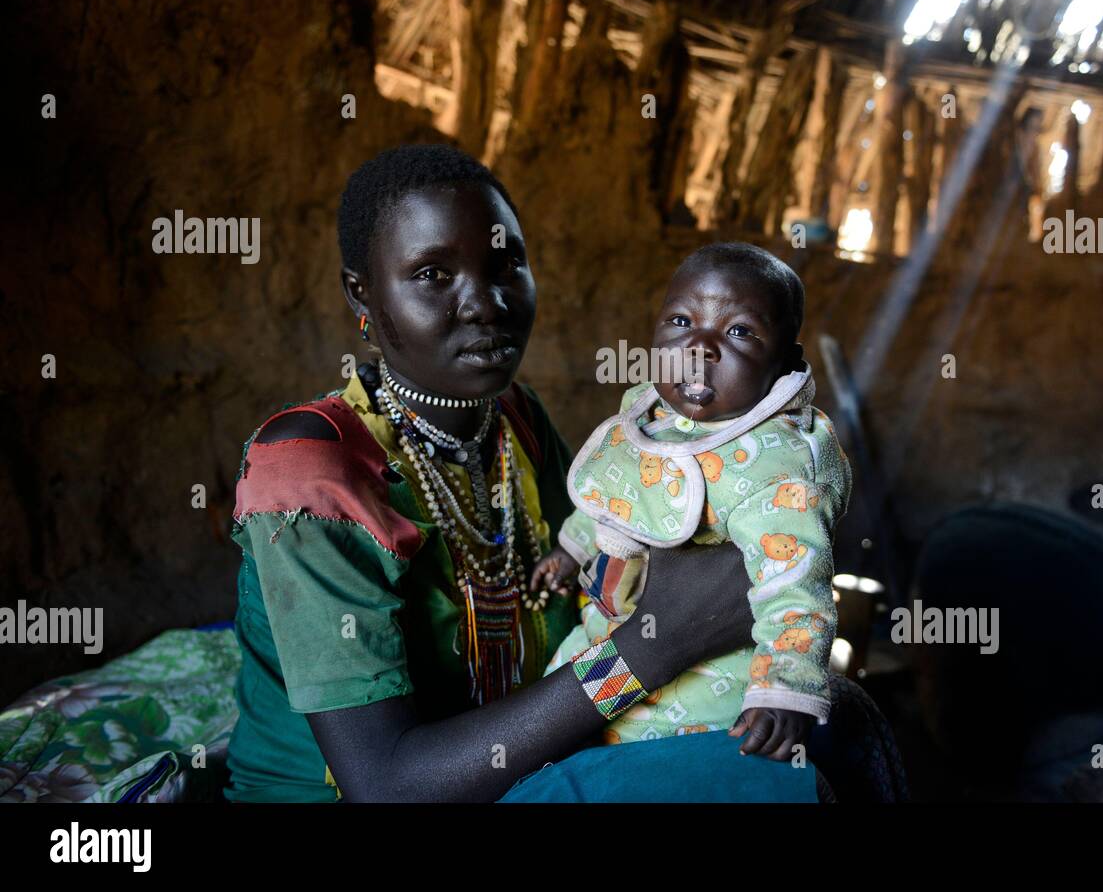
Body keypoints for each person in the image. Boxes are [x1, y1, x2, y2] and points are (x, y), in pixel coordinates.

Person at [222, 144, 797, 802]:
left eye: (507, 265)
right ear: (363, 292)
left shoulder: (513, 423)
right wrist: (653, 647)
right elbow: (384, 786)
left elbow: (599, 575)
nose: (486, 304)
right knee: (764, 779)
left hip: (524, 771)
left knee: (822, 725)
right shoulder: (310, 471)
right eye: (434, 274)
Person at [531, 243, 851, 759]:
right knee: (552, 729)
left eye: (740, 332)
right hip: (608, 641)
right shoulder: (648, 415)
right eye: (681, 321)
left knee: (643, 764)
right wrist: (571, 550)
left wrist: (785, 689)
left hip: (702, 676)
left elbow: (798, 587)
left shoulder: (776, 464)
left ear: (785, 362)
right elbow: (620, 490)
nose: (700, 349)